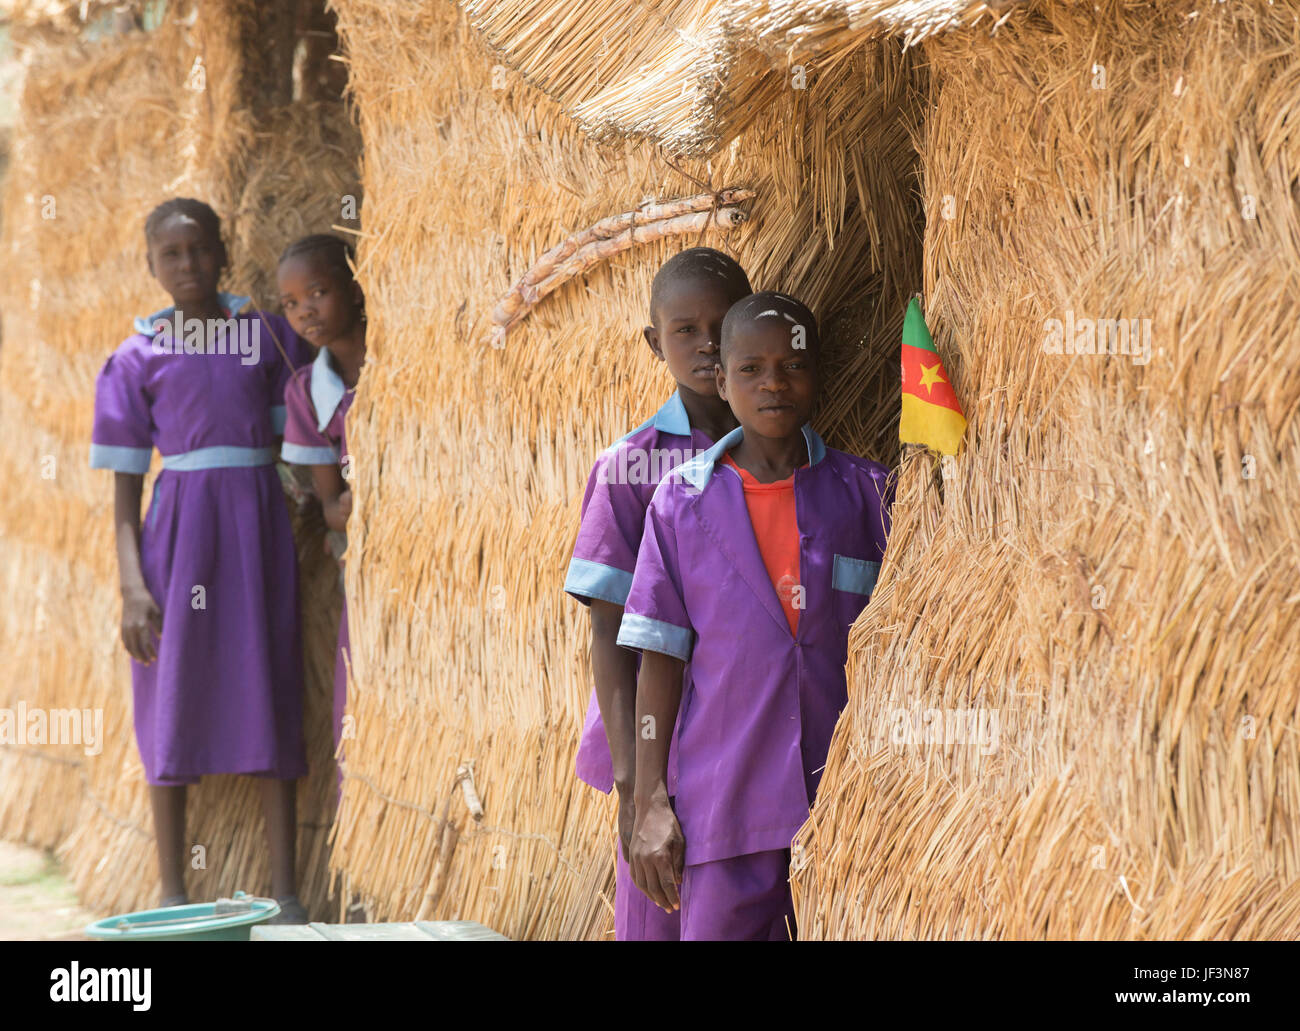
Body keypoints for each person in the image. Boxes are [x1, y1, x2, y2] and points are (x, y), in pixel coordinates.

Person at [619, 291, 893, 940]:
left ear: (818, 373)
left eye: (794, 365)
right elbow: (659, 659)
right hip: (725, 810)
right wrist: (650, 800)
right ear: (721, 378)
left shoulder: (869, 494)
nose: (775, 382)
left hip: (847, 811)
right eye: (751, 368)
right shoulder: (680, 503)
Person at [90, 198, 313, 923]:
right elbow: (125, 492)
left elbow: (303, 431)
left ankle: (285, 894)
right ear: (150, 264)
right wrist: (132, 586)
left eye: (199, 249)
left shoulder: (265, 336)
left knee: (271, 682)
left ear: (223, 251)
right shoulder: (134, 358)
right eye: (170, 254)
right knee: (169, 693)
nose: (187, 265)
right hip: (177, 537)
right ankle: (171, 892)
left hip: (256, 526)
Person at [563, 247, 752, 939]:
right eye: (684, 329)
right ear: (654, 342)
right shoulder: (631, 467)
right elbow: (611, 636)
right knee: (661, 913)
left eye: (722, 321)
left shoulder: (781, 449)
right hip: (660, 739)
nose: (706, 342)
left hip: (750, 730)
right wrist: (634, 786)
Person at [277, 234, 365, 778]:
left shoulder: (407, 364)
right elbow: (331, 507)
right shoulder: (308, 392)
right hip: (363, 570)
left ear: (354, 287)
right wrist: (366, 503)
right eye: (290, 303)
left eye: (317, 291)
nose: (305, 310)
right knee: (356, 703)